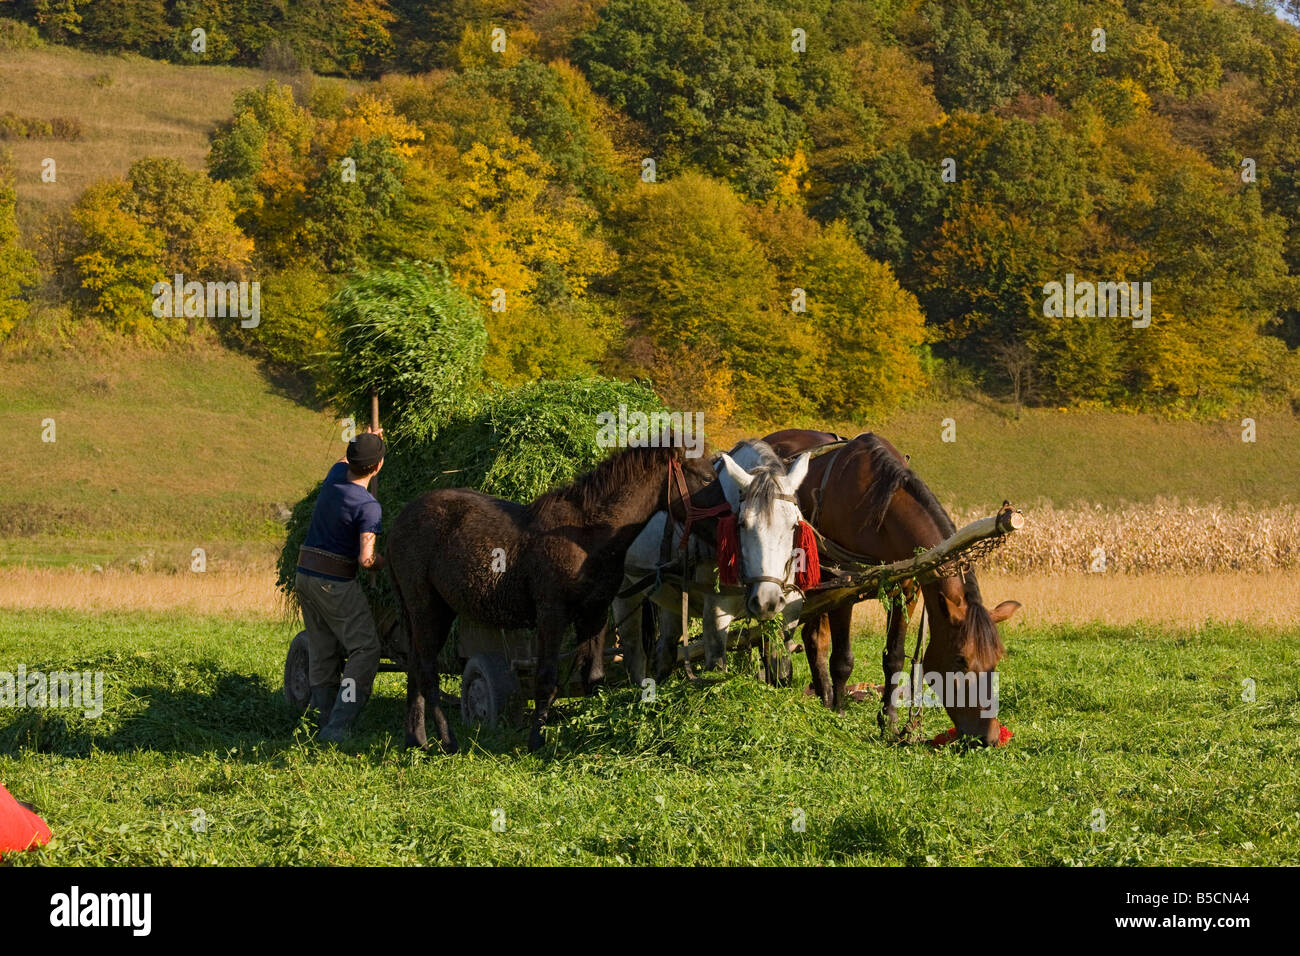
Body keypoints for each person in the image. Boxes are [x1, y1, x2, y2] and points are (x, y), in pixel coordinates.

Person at [294, 427, 386, 743]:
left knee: (322, 648)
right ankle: (339, 723)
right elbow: (366, 560)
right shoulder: (368, 506)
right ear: (378, 467)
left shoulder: (334, 478)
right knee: (365, 649)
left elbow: (343, 458)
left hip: (305, 574)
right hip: (334, 583)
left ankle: (321, 719)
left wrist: (364, 438)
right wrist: (390, 561)